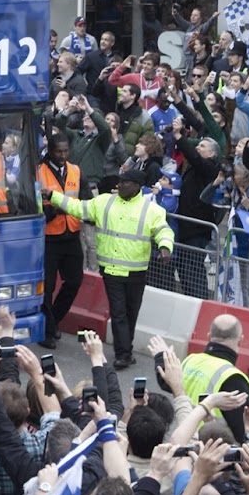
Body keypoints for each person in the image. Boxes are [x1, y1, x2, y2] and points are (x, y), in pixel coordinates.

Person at [48, 165, 173, 368]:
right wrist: (53, 195)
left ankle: (126, 349)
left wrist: (165, 247)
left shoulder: (152, 209)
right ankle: (122, 354)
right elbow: (77, 207)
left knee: (131, 312)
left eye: (125, 182)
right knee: (119, 312)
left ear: (137, 186)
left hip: (136, 271)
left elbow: (163, 230)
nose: (119, 185)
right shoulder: (104, 202)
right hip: (111, 270)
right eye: (119, 181)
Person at [36, 136, 85, 349]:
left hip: (71, 233)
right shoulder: (38, 171)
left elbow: (83, 200)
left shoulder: (75, 170)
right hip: (49, 235)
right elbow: (33, 205)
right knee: (47, 286)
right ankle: (46, 331)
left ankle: (53, 319)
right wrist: (52, 211)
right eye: (59, 152)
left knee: (74, 281)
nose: (63, 156)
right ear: (50, 151)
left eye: (66, 151)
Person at [178, 313, 249, 438]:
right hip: (213, 447)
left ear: (208, 337)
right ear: (241, 340)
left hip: (181, 438)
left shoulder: (189, 361)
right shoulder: (233, 377)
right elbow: (243, 431)